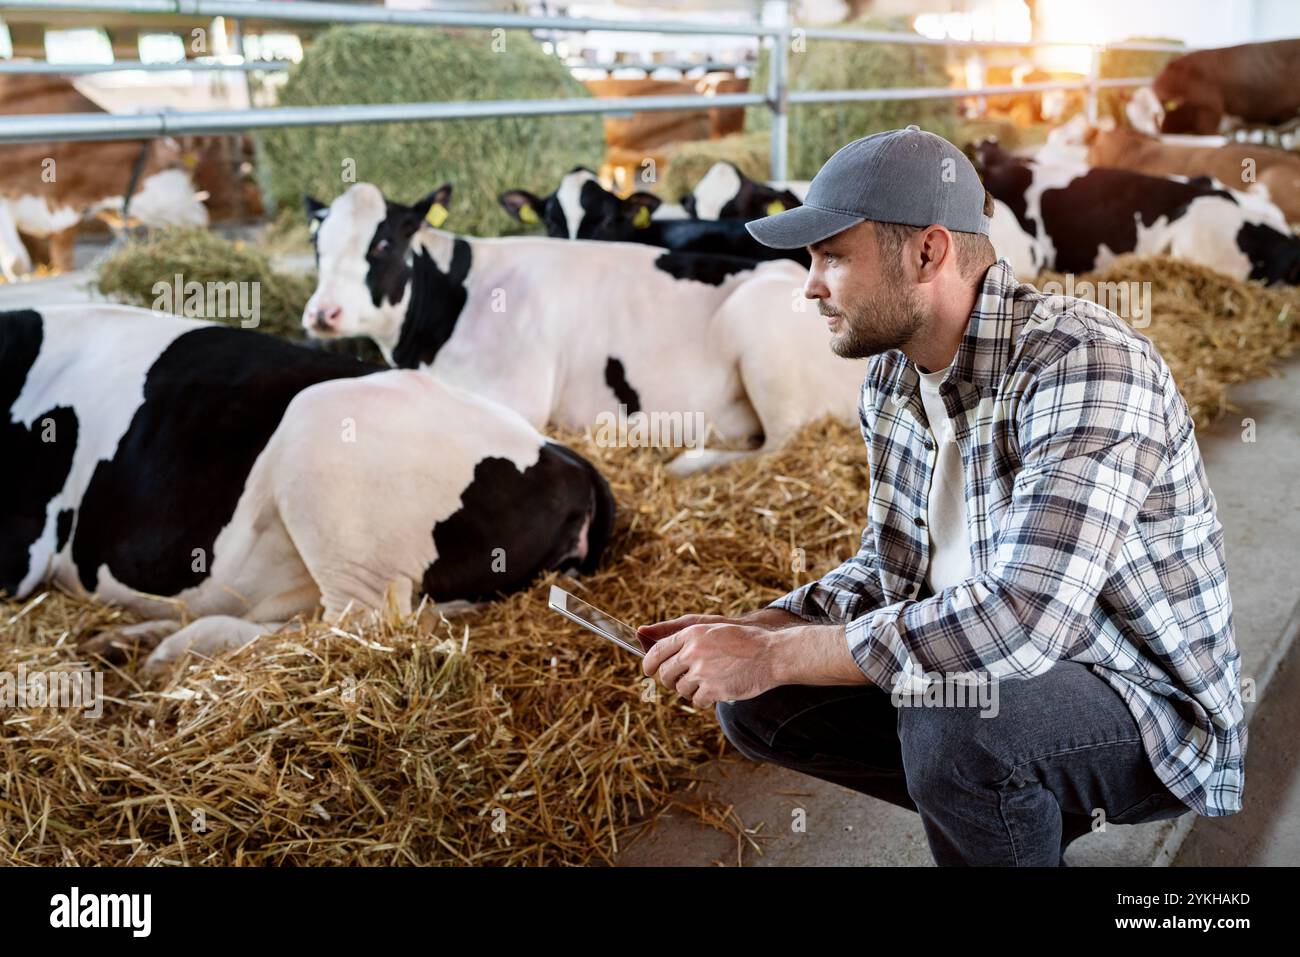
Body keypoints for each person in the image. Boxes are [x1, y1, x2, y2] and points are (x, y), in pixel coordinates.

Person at [636, 126, 1247, 866]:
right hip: (1002, 676)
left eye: (833, 256)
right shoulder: (894, 381)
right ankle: (1014, 809)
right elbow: (888, 568)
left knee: (954, 721)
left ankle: (1004, 790)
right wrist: (759, 631)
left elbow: (1022, 620)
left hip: (1146, 701)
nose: (810, 284)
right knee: (759, 705)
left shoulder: (1082, 361)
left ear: (928, 252)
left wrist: (786, 652)